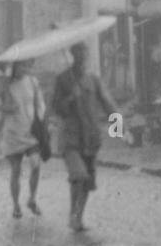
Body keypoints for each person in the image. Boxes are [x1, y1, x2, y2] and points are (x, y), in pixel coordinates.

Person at [50, 42, 116, 232]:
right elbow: (56, 108)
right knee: (79, 175)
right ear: (73, 56)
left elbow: (108, 104)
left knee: (87, 181)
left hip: (90, 138)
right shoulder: (63, 80)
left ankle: (78, 217)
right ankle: (73, 214)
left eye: (85, 56)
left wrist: (121, 128)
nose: (83, 60)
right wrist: (71, 97)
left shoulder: (93, 80)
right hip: (70, 138)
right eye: (79, 55)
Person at [0, 60, 46, 219]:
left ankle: (32, 199)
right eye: (19, 66)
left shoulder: (33, 82)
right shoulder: (6, 84)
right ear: (14, 67)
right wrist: (7, 108)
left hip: (30, 131)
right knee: (16, 170)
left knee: (36, 165)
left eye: (25, 66)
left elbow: (40, 103)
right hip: (13, 133)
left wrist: (39, 118)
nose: (23, 69)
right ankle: (16, 205)